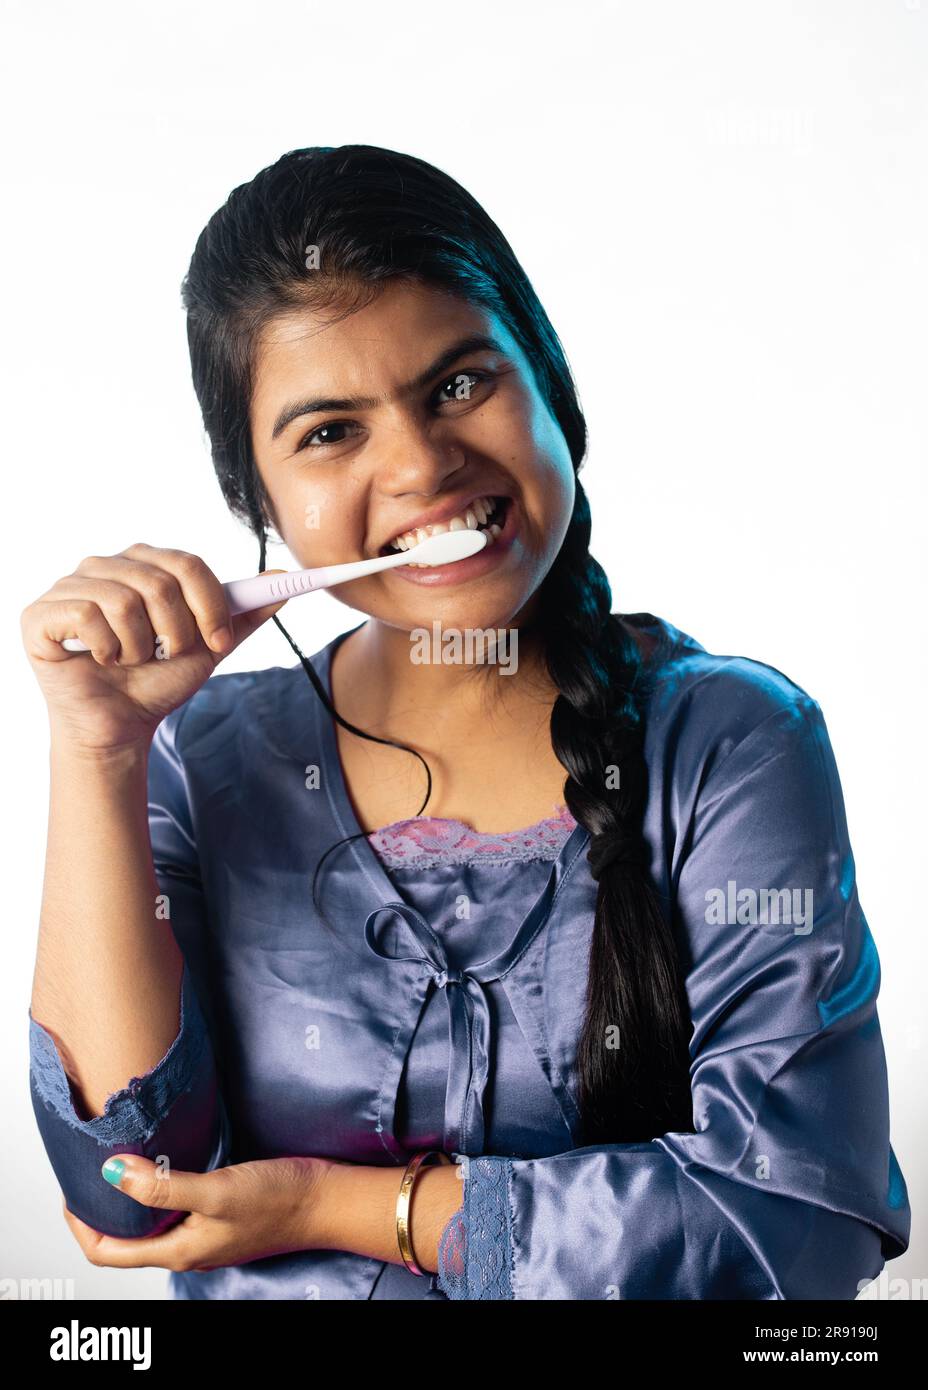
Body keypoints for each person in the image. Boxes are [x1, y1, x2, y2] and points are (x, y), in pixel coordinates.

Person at [21, 145, 910, 1299]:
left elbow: (795, 1224)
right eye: (330, 431)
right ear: (258, 501)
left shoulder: (735, 741)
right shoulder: (201, 760)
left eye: (456, 385)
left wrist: (347, 1206)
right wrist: (98, 751)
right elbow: (126, 1191)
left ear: (551, 385)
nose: (423, 464)